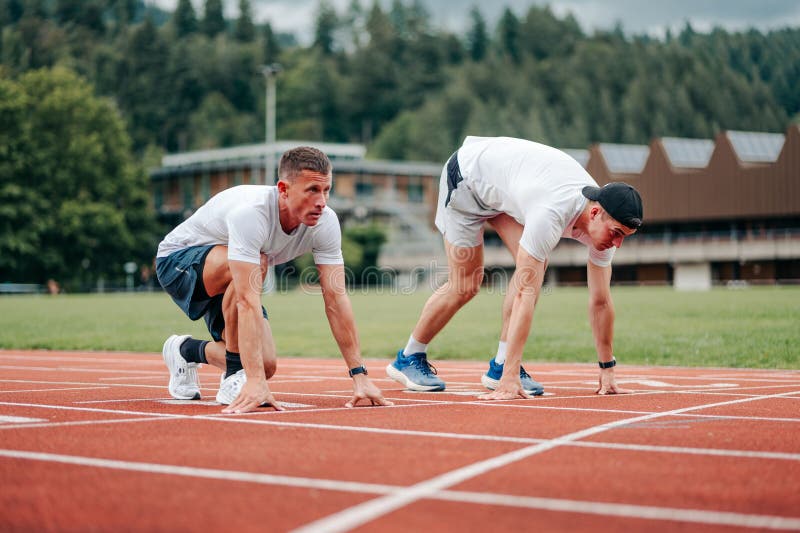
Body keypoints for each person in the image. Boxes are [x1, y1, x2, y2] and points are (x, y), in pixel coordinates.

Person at [387, 136, 643, 399]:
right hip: (467, 179)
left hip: (505, 188)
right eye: (616, 234)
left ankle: (501, 364)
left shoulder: (606, 221)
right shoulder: (551, 213)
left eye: (624, 236)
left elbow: (600, 301)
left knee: (535, 264)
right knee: (467, 282)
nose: (618, 244)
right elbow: (524, 293)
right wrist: (510, 382)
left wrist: (607, 369)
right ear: (594, 214)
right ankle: (409, 356)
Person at [156, 146, 393, 413]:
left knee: (266, 364)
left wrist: (359, 375)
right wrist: (252, 380)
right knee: (258, 265)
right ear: (283, 189)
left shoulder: (325, 222)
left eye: (326, 190)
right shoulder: (251, 213)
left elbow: (336, 299)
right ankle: (234, 375)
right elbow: (247, 300)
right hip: (179, 262)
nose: (322, 201)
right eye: (312, 190)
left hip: (239, 276)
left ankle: (185, 350)